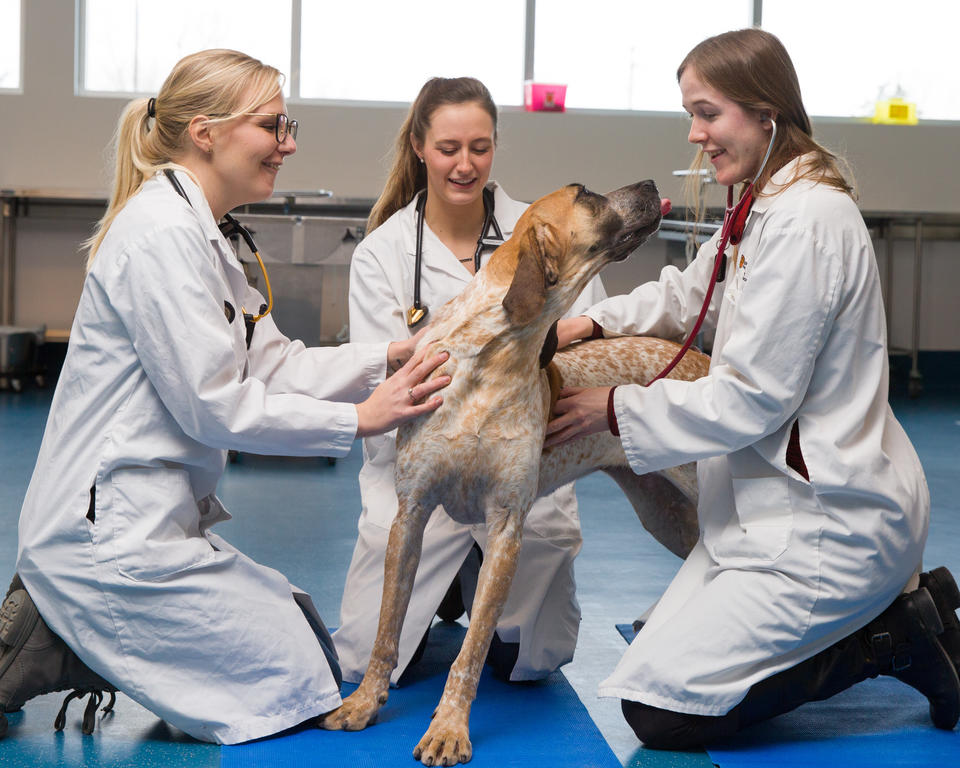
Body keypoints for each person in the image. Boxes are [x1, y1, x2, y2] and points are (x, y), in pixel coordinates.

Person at [0, 49, 451, 745]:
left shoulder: (205, 235)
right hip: (104, 532)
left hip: (153, 517)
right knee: (295, 683)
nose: (289, 143)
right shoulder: (160, 236)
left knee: (306, 651)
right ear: (206, 132)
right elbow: (214, 407)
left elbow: (273, 365)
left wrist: (383, 360)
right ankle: (57, 633)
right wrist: (362, 420)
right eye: (274, 125)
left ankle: (69, 634)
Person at [548, 28, 960, 749]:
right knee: (651, 666)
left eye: (708, 113)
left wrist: (615, 408)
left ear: (765, 111)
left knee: (661, 713)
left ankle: (895, 636)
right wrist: (592, 323)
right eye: (692, 114)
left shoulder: (806, 222)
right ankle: (929, 606)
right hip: (772, 512)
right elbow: (690, 289)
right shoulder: (762, 203)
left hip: (830, 520)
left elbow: (752, 400)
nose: (695, 133)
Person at [332, 76, 607, 685]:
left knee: (530, 664)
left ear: (495, 147)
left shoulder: (545, 226)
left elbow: (593, 327)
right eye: (449, 148)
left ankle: (468, 586)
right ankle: (450, 587)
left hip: (515, 471)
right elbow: (385, 382)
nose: (465, 164)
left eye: (479, 147)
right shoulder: (383, 254)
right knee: (362, 662)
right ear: (419, 148)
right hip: (425, 471)